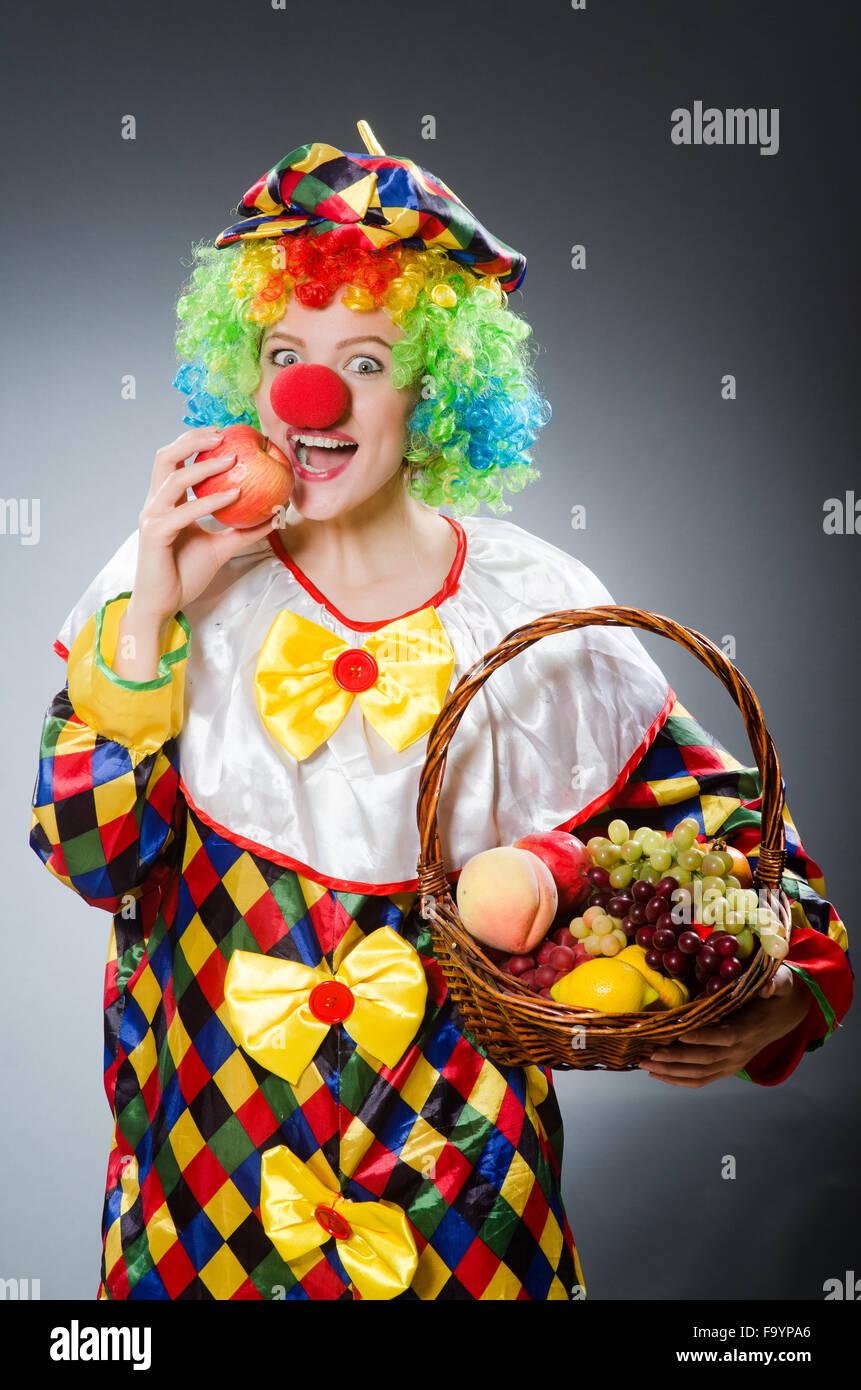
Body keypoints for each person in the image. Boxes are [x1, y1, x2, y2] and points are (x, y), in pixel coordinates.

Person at [29, 122, 853, 1301]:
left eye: (365, 360)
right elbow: (95, 857)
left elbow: (731, 835)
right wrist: (159, 598)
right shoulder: (173, 582)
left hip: (466, 1205)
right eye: (283, 350)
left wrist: (784, 989)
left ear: (439, 389)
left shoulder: (534, 606)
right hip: (203, 1200)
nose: (312, 391)